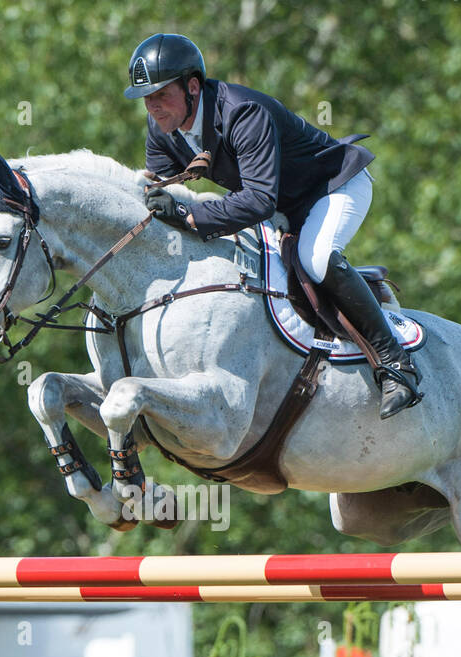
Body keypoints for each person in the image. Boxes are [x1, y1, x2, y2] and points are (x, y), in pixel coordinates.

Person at [125, 32, 423, 419]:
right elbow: (167, 192)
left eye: (161, 94)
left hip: (332, 187)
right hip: (282, 206)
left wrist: (188, 216)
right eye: (146, 98)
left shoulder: (243, 112)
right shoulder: (162, 129)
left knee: (314, 259)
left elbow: (257, 200)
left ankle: (396, 364)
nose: (153, 106)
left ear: (193, 86)